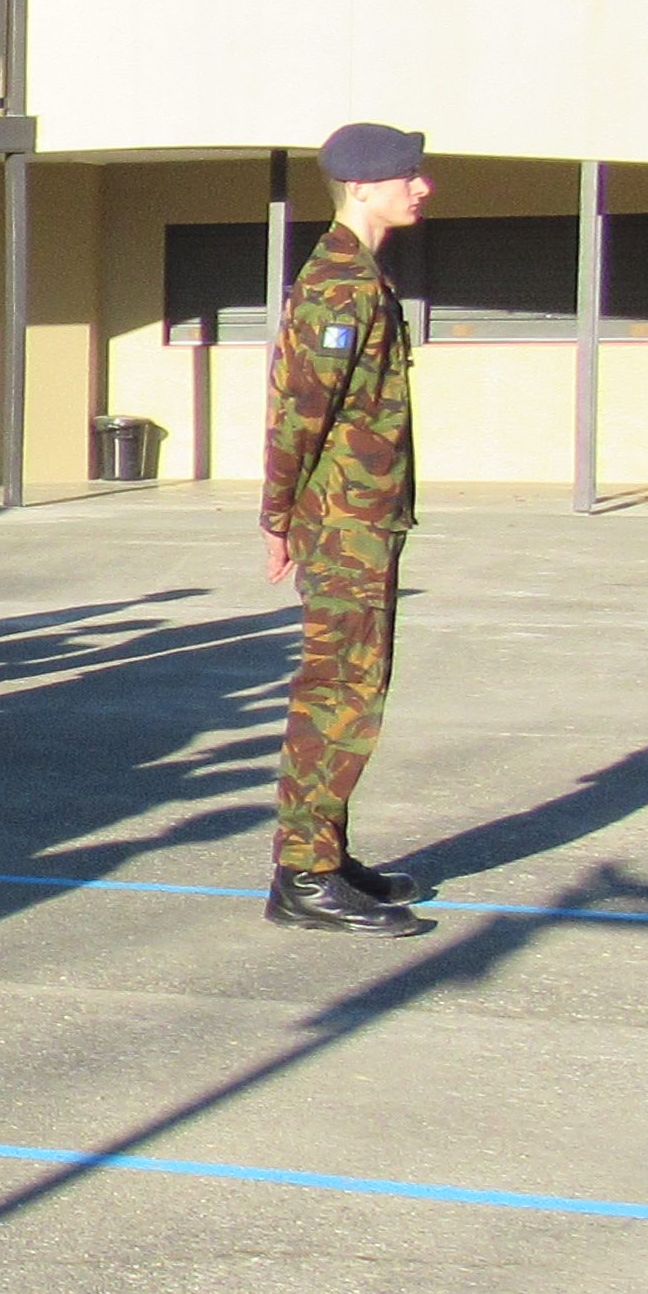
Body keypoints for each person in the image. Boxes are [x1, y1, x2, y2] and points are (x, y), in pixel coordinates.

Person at [263, 126, 438, 936]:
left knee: (354, 689)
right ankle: (303, 874)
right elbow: (299, 412)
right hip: (341, 525)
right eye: (407, 175)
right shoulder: (339, 285)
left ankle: (324, 853)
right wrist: (277, 517)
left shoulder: (361, 276)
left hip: (362, 520)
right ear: (362, 188)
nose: (422, 187)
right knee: (340, 693)